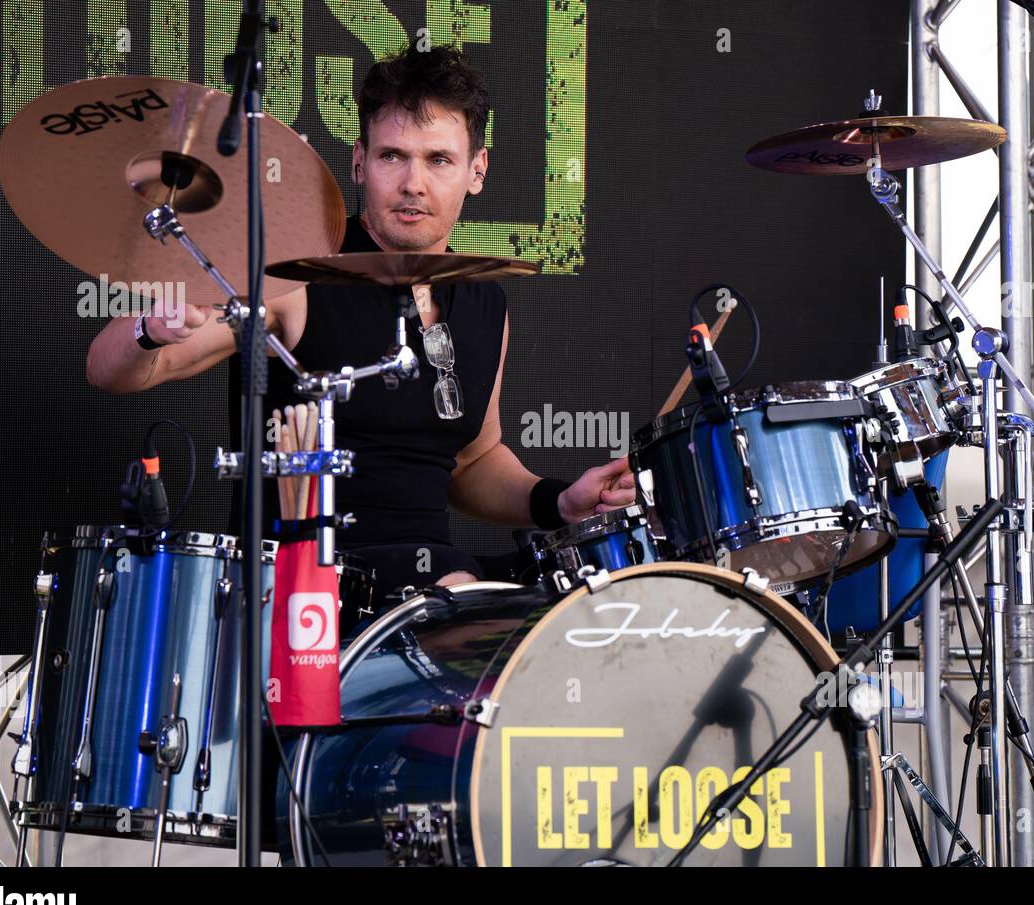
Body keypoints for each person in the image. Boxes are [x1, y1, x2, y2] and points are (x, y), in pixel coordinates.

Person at [87, 43, 635, 595]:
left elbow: (472, 460)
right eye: (392, 156)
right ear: (359, 162)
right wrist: (151, 330)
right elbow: (113, 369)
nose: (413, 183)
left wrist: (558, 502)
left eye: (438, 159)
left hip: (431, 581)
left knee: (579, 596)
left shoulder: (485, 300)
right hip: (306, 583)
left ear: (477, 170)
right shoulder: (296, 277)